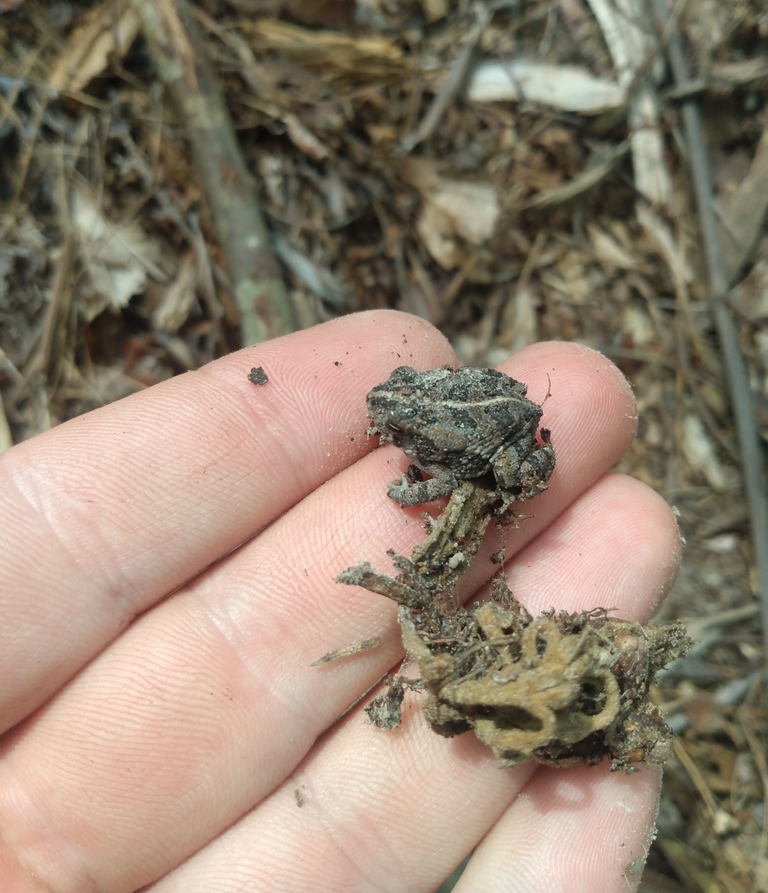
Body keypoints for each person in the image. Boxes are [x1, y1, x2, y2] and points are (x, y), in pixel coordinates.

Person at [0, 310, 680, 893]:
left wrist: (414, 486)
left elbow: (417, 490)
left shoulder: (429, 441)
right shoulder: (416, 399)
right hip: (485, 400)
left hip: (492, 432)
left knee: (512, 478)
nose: (385, 424)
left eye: (398, 422)